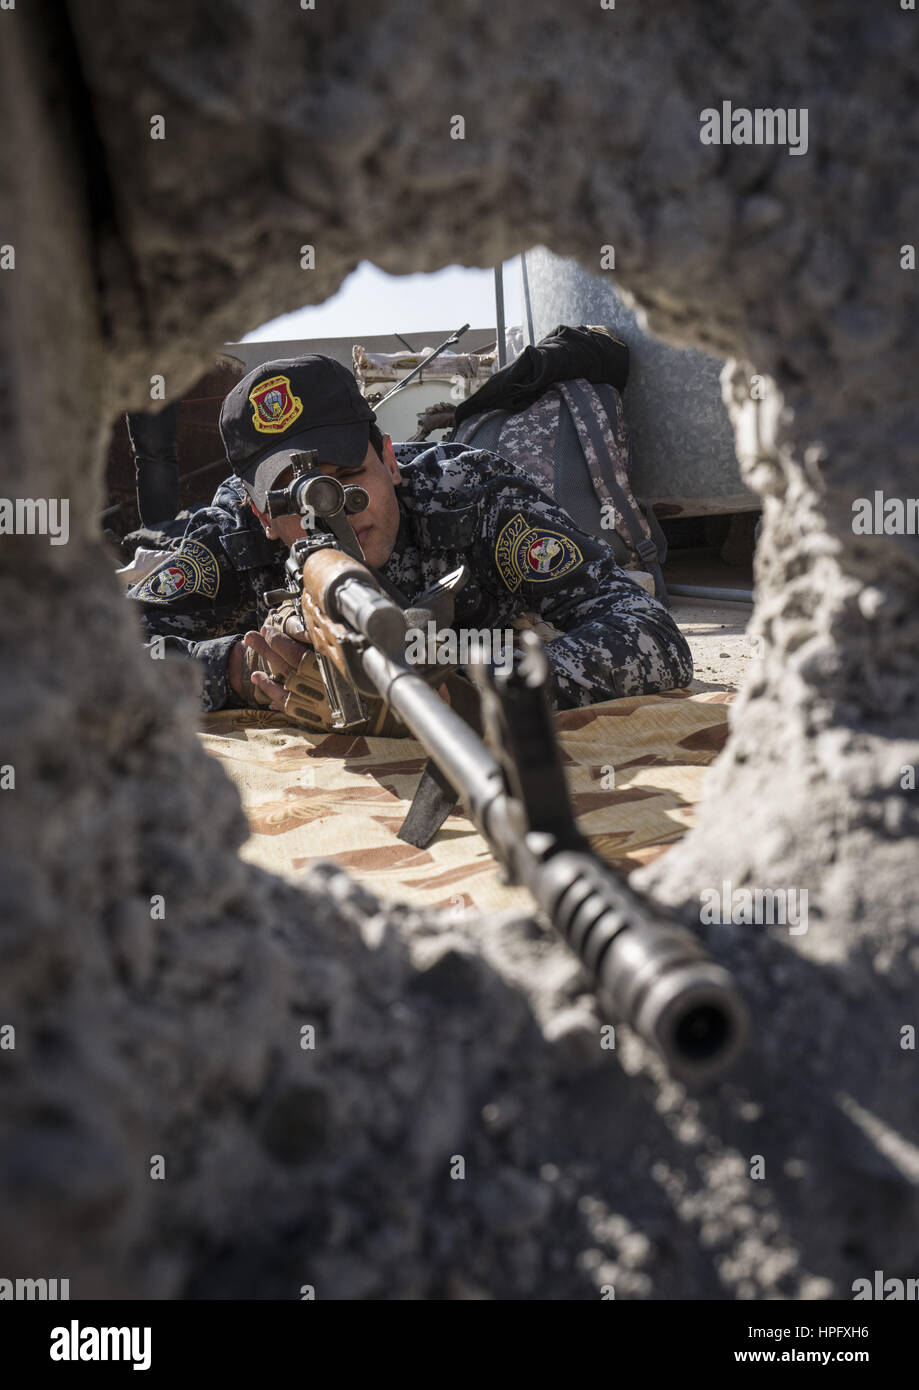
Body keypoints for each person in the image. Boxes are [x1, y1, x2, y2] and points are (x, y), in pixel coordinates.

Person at [126, 355, 692, 715]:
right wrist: (235, 672)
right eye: (293, 499)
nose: (335, 512)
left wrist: (468, 690)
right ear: (259, 515)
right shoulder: (228, 535)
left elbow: (651, 635)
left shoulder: (472, 495)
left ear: (390, 459)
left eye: (348, 478)